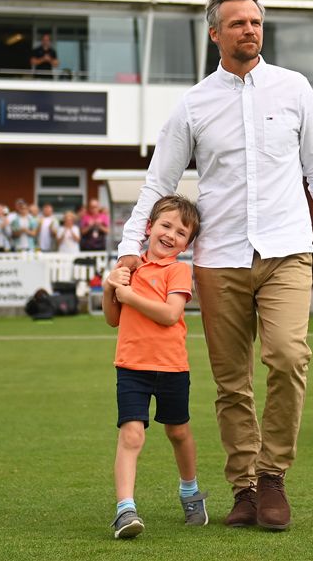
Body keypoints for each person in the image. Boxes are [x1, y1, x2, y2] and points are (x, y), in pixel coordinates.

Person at [115, 0, 313, 531]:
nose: (250, 29)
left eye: (256, 22)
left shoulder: (294, 89)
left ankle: (273, 476)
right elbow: (160, 181)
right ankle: (244, 488)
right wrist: (129, 248)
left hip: (287, 248)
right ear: (214, 32)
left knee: (289, 357)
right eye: (238, 22)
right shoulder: (194, 103)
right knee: (231, 380)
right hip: (219, 256)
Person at [103, 195, 208, 539]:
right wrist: (110, 287)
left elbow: (169, 314)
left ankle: (190, 492)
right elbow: (112, 319)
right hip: (131, 366)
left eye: (181, 232)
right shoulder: (130, 268)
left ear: (187, 244)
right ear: (148, 228)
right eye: (165, 225)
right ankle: (125, 510)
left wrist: (128, 294)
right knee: (131, 434)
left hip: (172, 367)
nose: (170, 234)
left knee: (178, 432)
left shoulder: (179, 269)